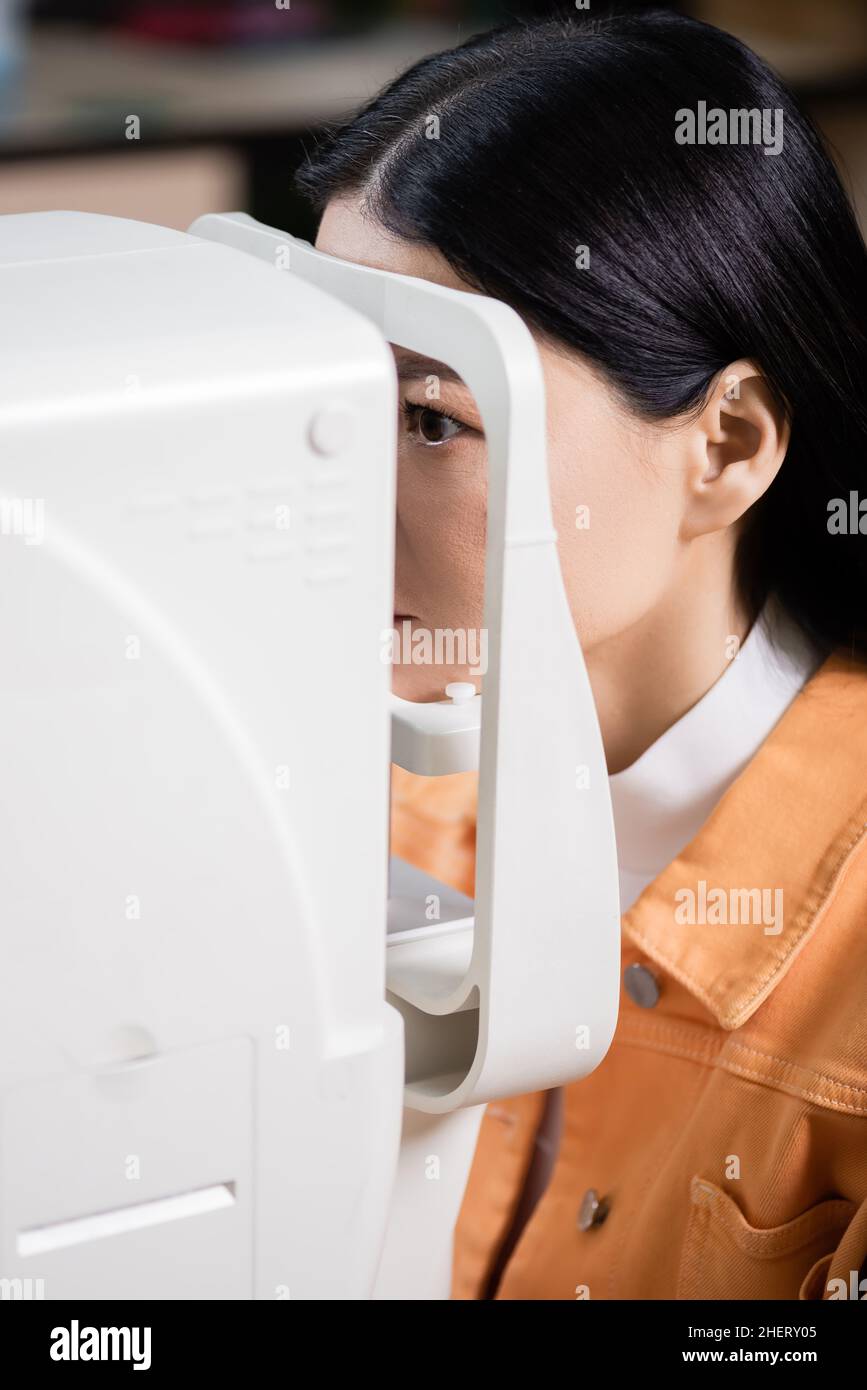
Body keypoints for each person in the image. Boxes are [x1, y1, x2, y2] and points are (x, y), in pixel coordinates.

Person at [296, 8, 867, 1299]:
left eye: (435, 421)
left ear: (725, 444)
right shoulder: (367, 790)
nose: (333, 495)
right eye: (333, 402)